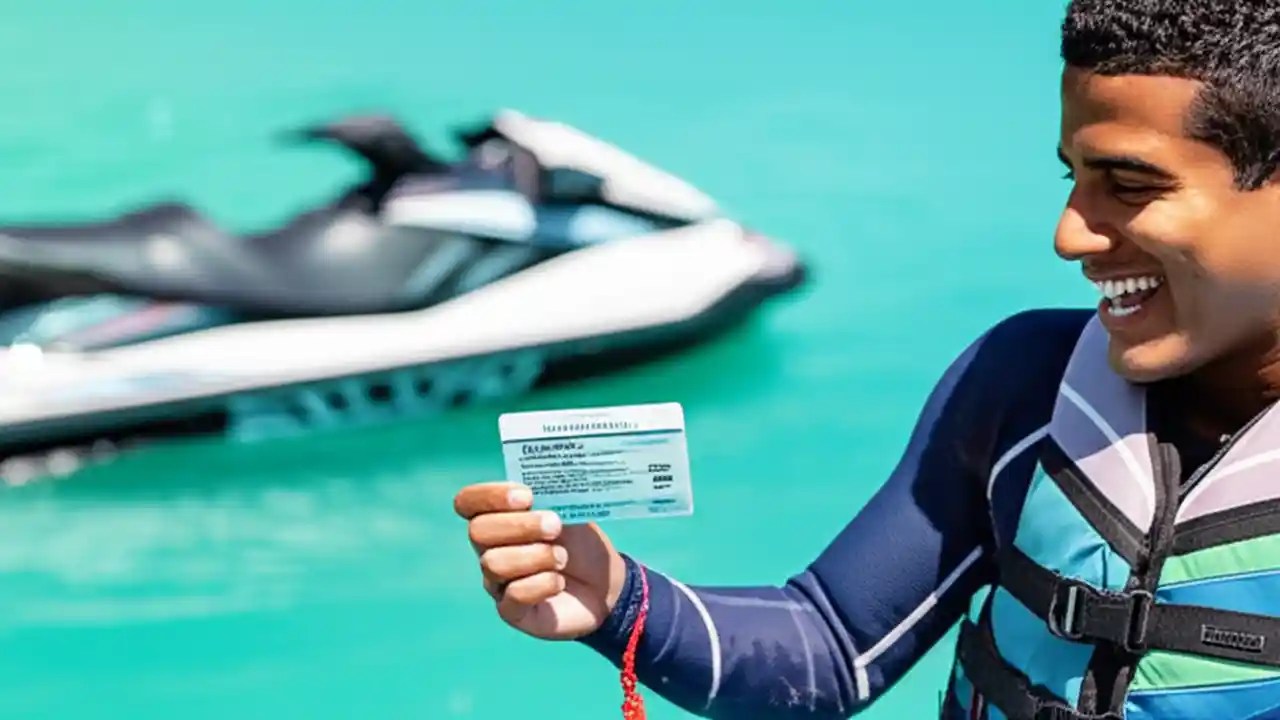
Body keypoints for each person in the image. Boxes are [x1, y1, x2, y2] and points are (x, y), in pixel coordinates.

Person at [453, 1, 1280, 718]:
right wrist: (618, 600)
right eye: (1072, 177)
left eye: (1129, 185)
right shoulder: (1026, 384)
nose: (1070, 234)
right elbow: (828, 647)